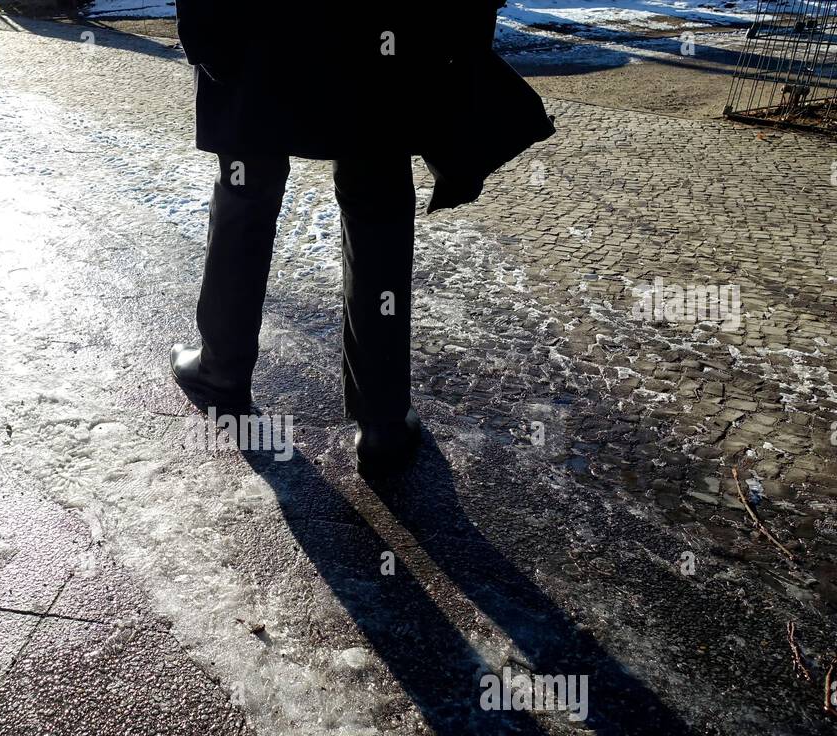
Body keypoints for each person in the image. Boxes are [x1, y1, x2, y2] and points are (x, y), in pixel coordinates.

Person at [170, 1, 551, 477]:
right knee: (376, 205)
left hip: (252, 30)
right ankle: (382, 418)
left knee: (244, 198)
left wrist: (206, 35)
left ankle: (221, 369)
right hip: (380, 38)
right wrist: (462, 40)